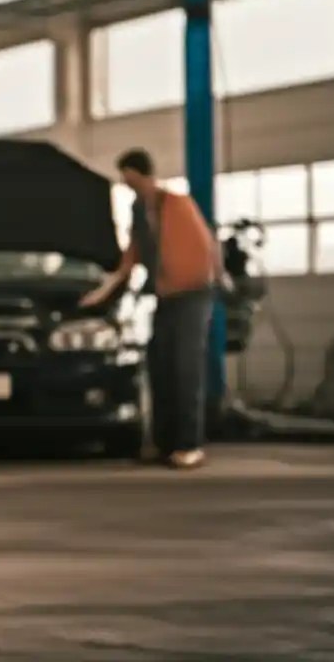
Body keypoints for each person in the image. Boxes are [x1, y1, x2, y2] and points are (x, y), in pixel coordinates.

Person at [79, 149, 230, 470]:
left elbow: (207, 244)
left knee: (186, 366)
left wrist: (219, 278)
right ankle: (163, 443)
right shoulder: (138, 209)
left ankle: (189, 445)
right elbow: (131, 256)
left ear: (140, 175)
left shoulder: (175, 203)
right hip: (165, 297)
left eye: (128, 177)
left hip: (192, 294)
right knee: (159, 362)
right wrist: (102, 292)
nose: (127, 183)